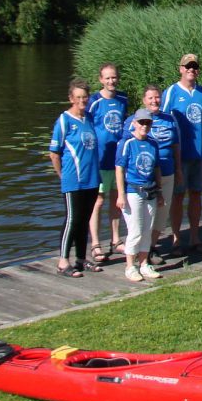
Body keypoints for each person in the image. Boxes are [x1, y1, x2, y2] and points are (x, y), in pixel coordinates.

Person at [162, 53, 202, 253]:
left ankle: (195, 237)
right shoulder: (171, 93)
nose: (191, 70)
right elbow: (162, 121)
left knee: (196, 194)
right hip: (179, 155)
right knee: (177, 196)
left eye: (194, 66)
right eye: (187, 66)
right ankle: (176, 238)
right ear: (181, 69)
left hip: (199, 153)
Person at [48, 78, 101, 278]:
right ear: (71, 98)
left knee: (84, 219)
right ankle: (63, 261)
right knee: (72, 219)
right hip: (73, 179)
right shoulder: (64, 120)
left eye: (85, 97)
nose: (82, 101)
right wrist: (62, 175)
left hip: (91, 178)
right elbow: (54, 153)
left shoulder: (89, 118)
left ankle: (80, 257)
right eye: (78, 97)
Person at [124, 85, 180, 264]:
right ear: (144, 100)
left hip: (167, 172)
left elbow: (176, 146)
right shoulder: (134, 121)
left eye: (157, 97)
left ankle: (150, 249)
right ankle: (138, 255)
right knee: (142, 218)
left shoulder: (169, 120)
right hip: (143, 177)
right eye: (150, 98)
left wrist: (178, 169)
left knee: (161, 215)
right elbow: (126, 149)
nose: (155, 101)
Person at [115, 109, 165, 282]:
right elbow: (120, 169)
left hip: (150, 190)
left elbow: (157, 168)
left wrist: (159, 191)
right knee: (135, 229)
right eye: (142, 122)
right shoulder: (127, 143)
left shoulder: (153, 143)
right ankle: (130, 266)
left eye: (148, 123)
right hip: (133, 191)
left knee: (147, 229)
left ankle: (144, 263)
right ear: (134, 123)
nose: (145, 126)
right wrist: (121, 194)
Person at [87, 63, 128, 260]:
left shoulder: (123, 99)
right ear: (101, 80)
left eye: (114, 77)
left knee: (116, 200)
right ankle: (95, 243)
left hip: (117, 160)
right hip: (99, 159)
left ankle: (115, 239)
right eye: (107, 78)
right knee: (98, 201)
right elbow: (86, 126)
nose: (111, 81)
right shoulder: (93, 101)